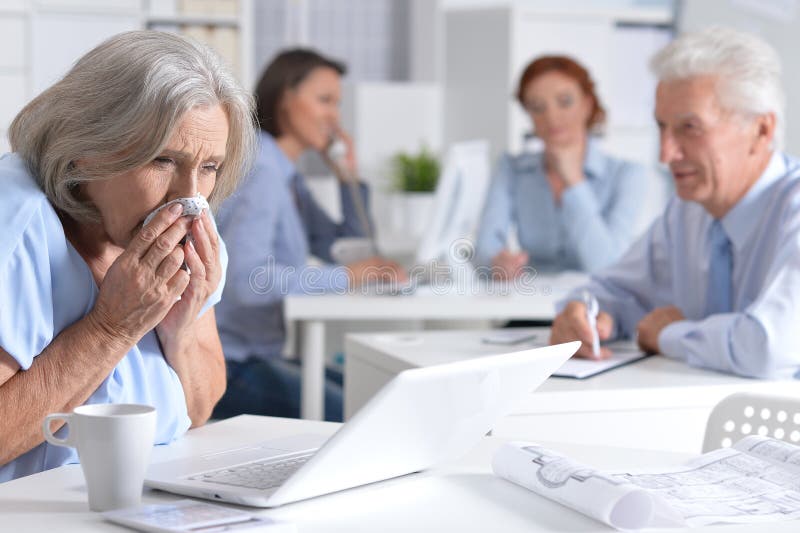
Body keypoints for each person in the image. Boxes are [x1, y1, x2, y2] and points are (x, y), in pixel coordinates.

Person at [0, 30, 256, 481]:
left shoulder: (190, 227)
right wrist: (112, 327)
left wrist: (179, 331)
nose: (191, 197)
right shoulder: (15, 224)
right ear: (83, 149)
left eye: (209, 167)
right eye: (162, 160)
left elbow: (199, 409)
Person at [550, 27, 800, 379]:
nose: (666, 154)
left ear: (761, 131)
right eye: (662, 127)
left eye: (690, 128)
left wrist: (668, 334)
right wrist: (582, 314)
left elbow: (771, 348)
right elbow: (616, 292)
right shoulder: (689, 211)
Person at [213, 49, 406, 422]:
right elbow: (244, 281)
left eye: (337, 103)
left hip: (261, 355)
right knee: (369, 413)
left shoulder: (288, 176)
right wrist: (349, 277)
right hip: (229, 364)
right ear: (286, 99)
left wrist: (347, 178)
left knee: (380, 393)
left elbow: (347, 250)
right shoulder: (262, 172)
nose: (335, 116)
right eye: (325, 100)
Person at [475, 55, 647, 277]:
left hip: (597, 307)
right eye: (537, 107)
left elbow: (607, 265)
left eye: (564, 102)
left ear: (587, 104)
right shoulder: (511, 170)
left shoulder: (627, 175)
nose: (551, 116)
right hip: (528, 305)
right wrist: (496, 263)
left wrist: (574, 181)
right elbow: (485, 248)